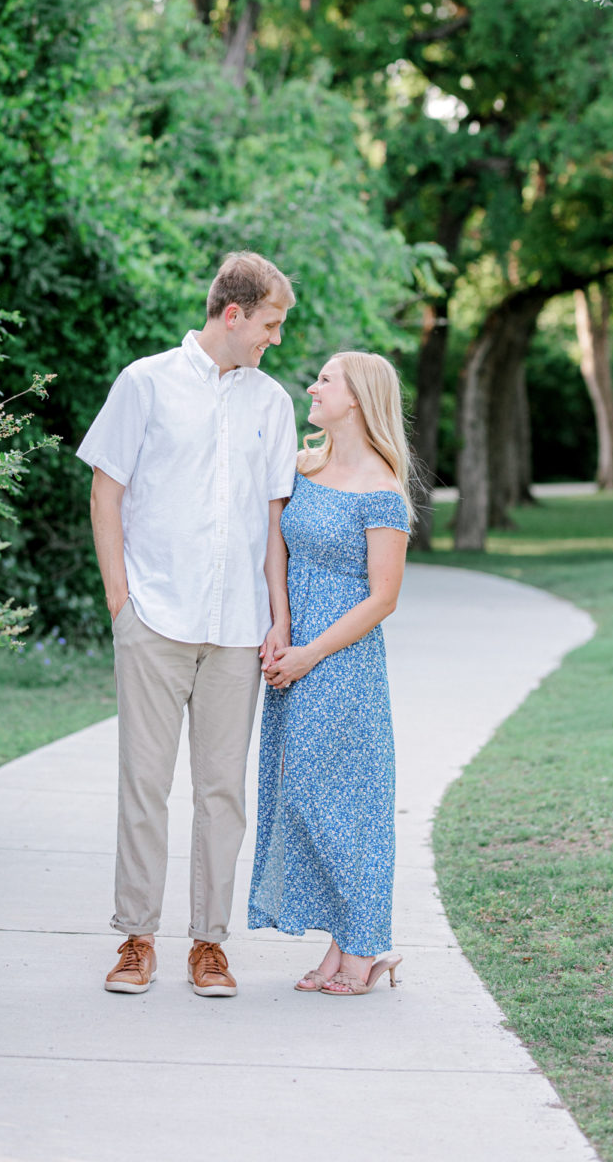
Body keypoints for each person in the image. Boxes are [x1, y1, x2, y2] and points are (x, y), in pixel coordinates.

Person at [77, 252, 298, 997]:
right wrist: (122, 603)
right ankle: (137, 938)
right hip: (156, 618)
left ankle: (210, 944)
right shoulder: (145, 383)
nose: (276, 339)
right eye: (270, 324)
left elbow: (273, 522)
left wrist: (279, 617)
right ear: (233, 315)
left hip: (238, 628)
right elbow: (106, 493)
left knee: (221, 793)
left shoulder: (272, 403)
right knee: (144, 784)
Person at [248, 351, 411, 997]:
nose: (312, 388)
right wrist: (281, 625)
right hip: (294, 650)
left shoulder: (382, 490)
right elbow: (275, 545)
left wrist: (310, 653)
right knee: (300, 795)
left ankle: (361, 948)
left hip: (343, 662)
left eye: (325, 380)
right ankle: (346, 942)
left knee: (341, 803)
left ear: (358, 399)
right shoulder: (303, 466)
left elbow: (383, 597)